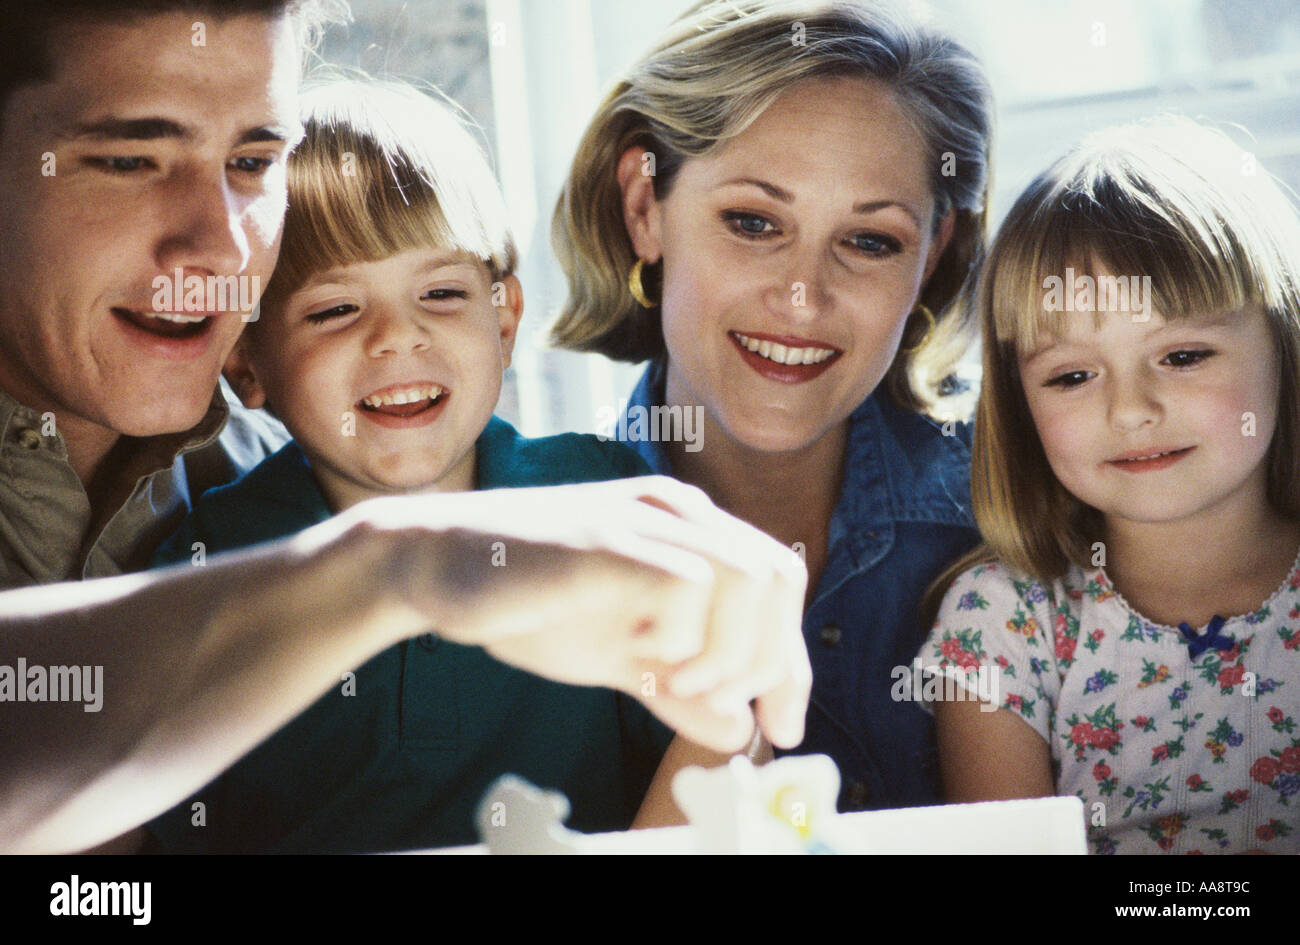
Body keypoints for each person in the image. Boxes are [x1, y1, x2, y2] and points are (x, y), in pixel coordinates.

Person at [0, 1, 811, 855]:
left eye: (253, 158)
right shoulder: (224, 530)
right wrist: (398, 564)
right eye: (130, 158)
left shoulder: (226, 457)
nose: (222, 248)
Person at [140, 78, 687, 852]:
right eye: (335, 309)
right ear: (246, 363)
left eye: (440, 291)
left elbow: (723, 734)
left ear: (504, 319)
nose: (397, 337)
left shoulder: (602, 500)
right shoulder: (207, 569)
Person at [552, 0, 992, 811]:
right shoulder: (528, 554)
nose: (801, 298)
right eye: (753, 222)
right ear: (644, 207)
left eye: (870, 241)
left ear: (931, 254)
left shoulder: (1017, 516)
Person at [919, 117, 1300, 854]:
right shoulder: (1002, 625)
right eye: (1071, 375)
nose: (1130, 410)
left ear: (1285, 347)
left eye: (1184, 354)